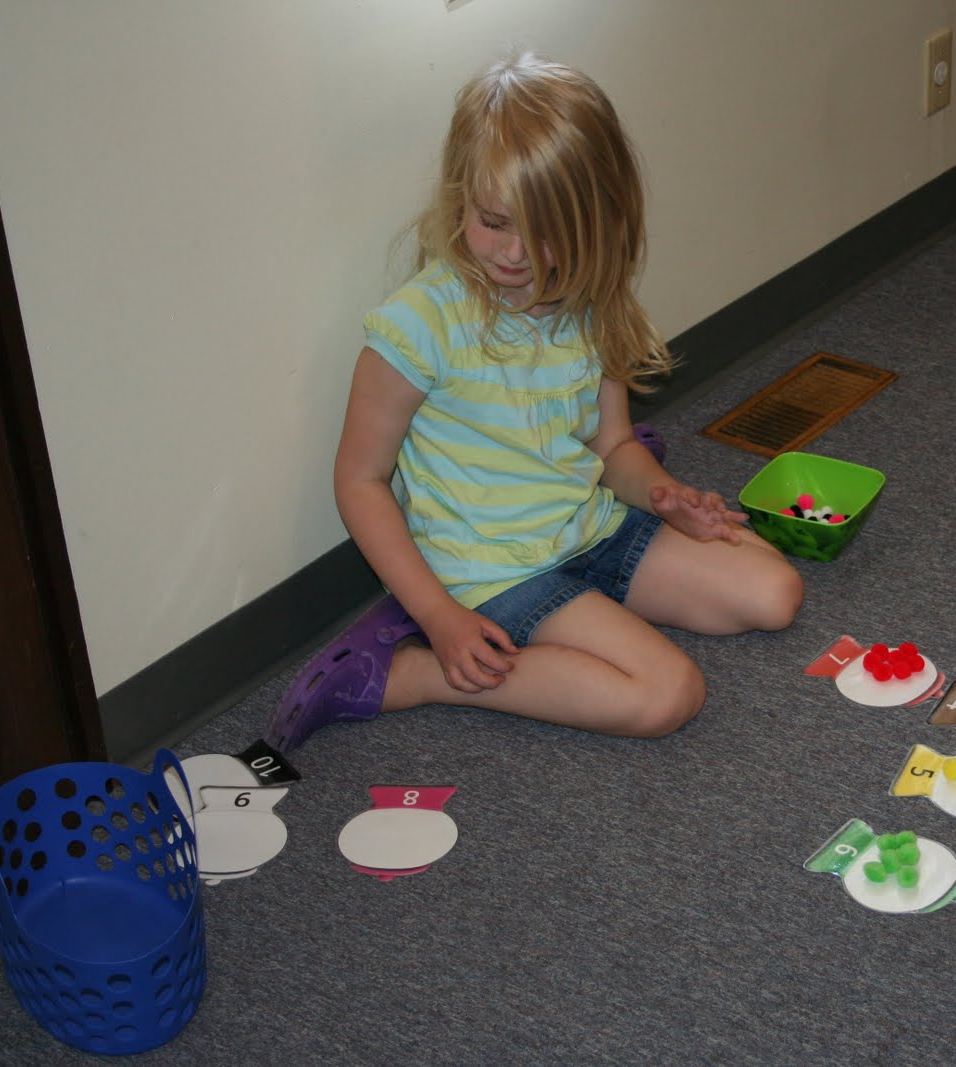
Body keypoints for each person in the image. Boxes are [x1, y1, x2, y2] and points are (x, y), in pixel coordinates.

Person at [266, 52, 803, 754]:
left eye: (545, 231)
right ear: (461, 198)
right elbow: (360, 481)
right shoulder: (417, 326)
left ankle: (575, 617)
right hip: (493, 568)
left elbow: (613, 448)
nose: (514, 253)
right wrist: (439, 613)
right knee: (668, 692)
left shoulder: (591, 295)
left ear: (594, 220)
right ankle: (414, 671)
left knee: (774, 594)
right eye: (494, 221)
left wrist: (664, 494)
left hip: (588, 525)